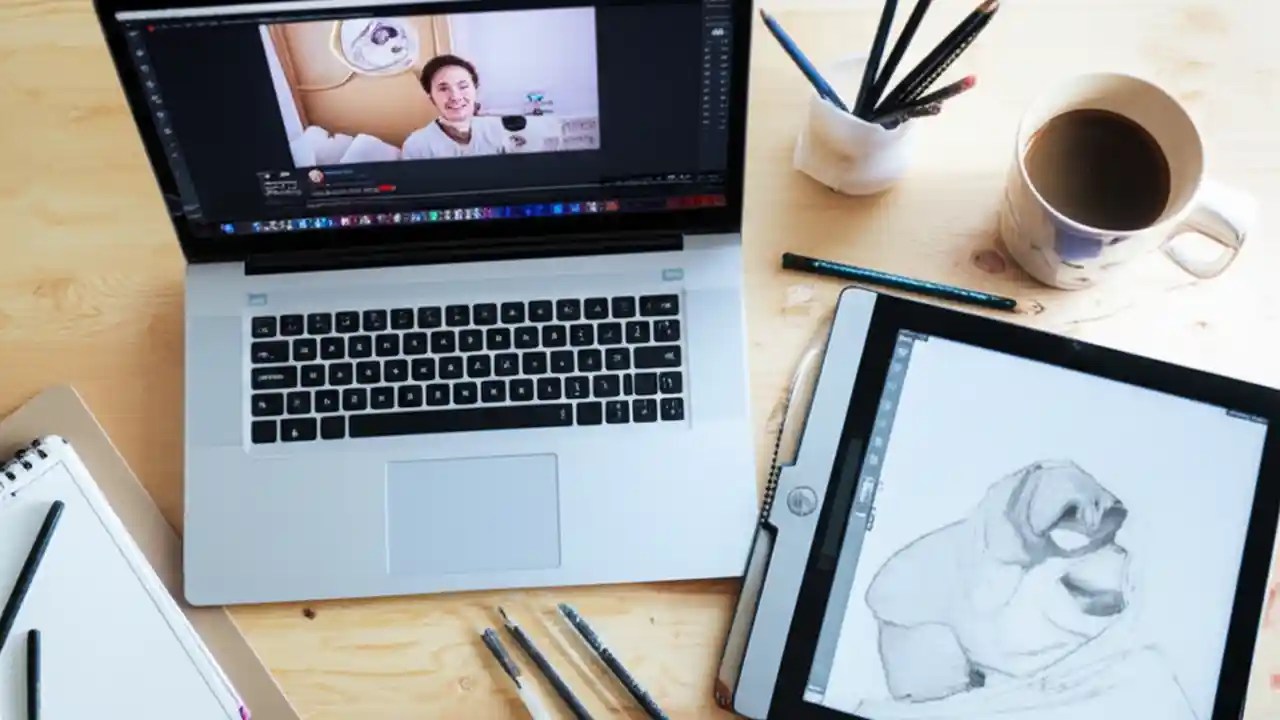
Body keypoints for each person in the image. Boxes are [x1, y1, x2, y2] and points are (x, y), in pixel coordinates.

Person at [401, 54, 508, 159]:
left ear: (475, 89)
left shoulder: (500, 130)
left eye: (463, 86)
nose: (455, 97)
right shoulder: (416, 145)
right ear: (431, 97)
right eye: (443, 89)